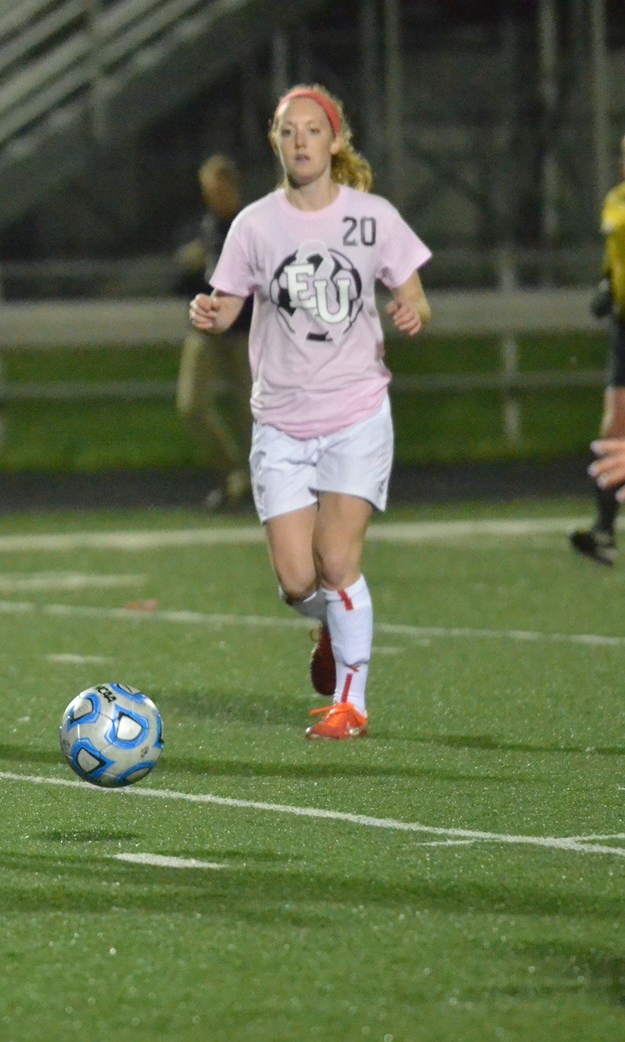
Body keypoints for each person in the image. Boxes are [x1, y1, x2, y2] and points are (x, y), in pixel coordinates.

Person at [188, 84, 431, 740]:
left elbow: (413, 290)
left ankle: (351, 701)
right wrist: (210, 313)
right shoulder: (256, 224)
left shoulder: (371, 217)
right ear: (276, 142)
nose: (300, 141)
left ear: (335, 140)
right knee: (298, 581)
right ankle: (332, 619)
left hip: (355, 410)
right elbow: (229, 303)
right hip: (281, 421)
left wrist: (411, 309)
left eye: (312, 130)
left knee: (338, 562)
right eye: (288, 131)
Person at [174, 154, 253, 510]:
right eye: (209, 191)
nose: (214, 198)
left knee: (254, 413)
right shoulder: (204, 228)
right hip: (207, 328)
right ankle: (231, 473)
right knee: (191, 404)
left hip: (243, 331)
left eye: (220, 190)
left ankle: (257, 486)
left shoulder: (251, 227)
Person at [569, 134, 625, 567]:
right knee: (614, 428)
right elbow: (615, 254)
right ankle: (604, 531)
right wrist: (606, 283)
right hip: (623, 325)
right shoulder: (615, 201)